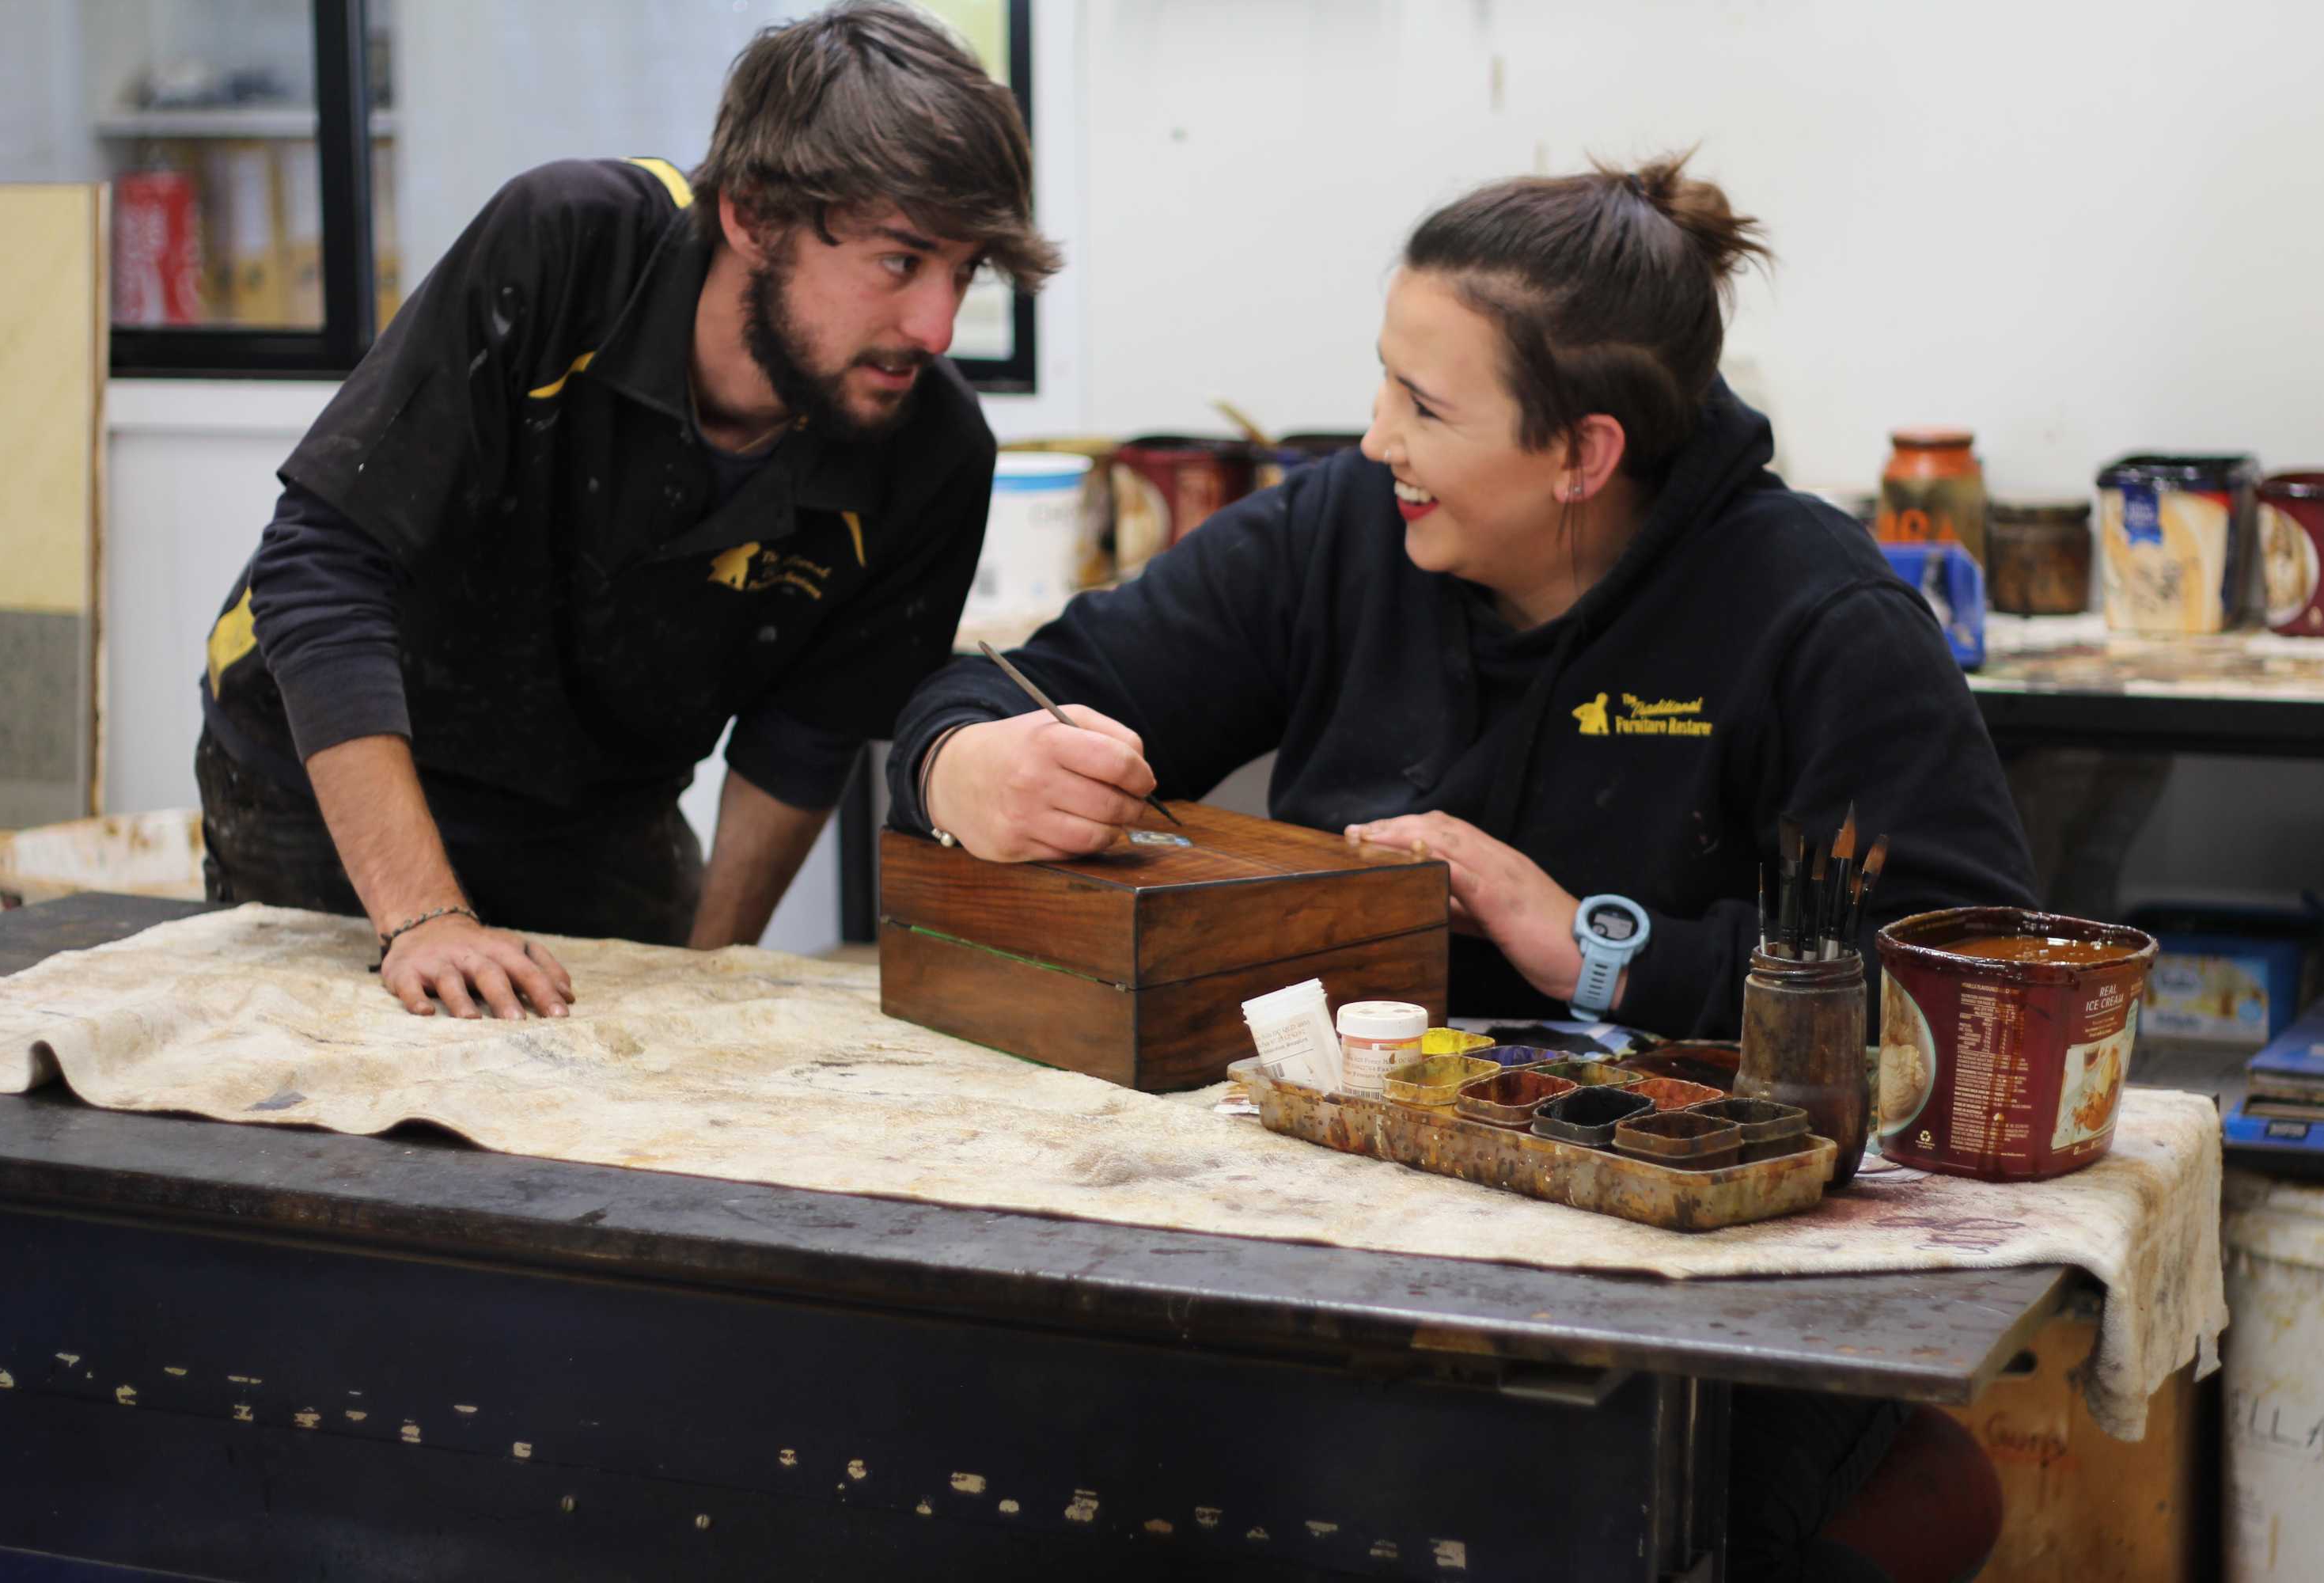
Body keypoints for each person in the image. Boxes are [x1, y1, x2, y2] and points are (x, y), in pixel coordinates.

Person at [887, 156, 2030, 1580]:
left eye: (1425, 408)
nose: (1376, 443)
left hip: (1673, 1274)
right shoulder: (1340, 536)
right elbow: (1010, 688)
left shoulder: (1818, 617)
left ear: (1582, 456)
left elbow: (1967, 997)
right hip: (1330, 1236)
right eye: (1383, 385)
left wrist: (1593, 948)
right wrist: (960, 770)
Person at [198, 2, 1058, 1022]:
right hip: (328, 781)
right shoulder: (567, 247)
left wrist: (709, 977)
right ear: (751, 213)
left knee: (640, 1095)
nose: (939, 325)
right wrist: (423, 917)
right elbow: (322, 570)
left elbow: (804, 740)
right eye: (901, 261)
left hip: (601, 814)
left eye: (965, 274)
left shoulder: (934, 452)